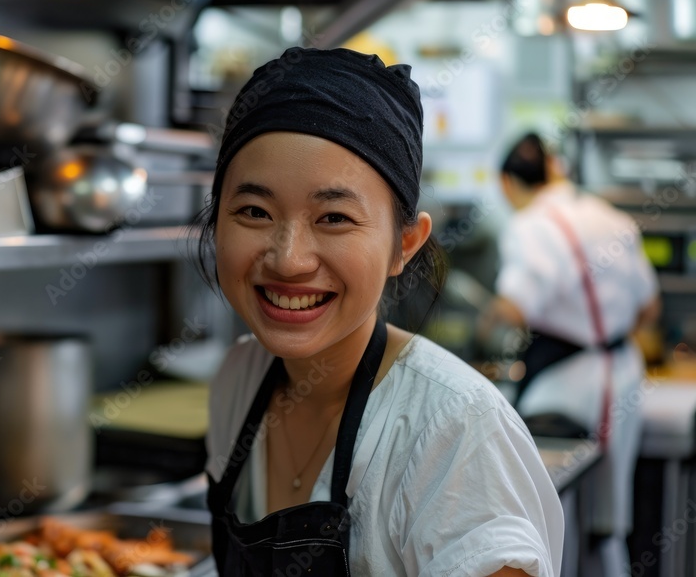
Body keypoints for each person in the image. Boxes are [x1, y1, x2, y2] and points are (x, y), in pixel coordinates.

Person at [195, 48, 564, 577]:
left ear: (404, 245)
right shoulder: (238, 380)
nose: (288, 258)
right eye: (254, 211)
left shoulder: (452, 432)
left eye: (334, 217)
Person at [481, 133, 661, 576]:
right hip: (623, 369)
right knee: (607, 516)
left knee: (544, 512)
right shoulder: (607, 215)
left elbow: (515, 305)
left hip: (570, 383)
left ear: (507, 183)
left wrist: (479, 323)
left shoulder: (530, 226)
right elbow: (650, 307)